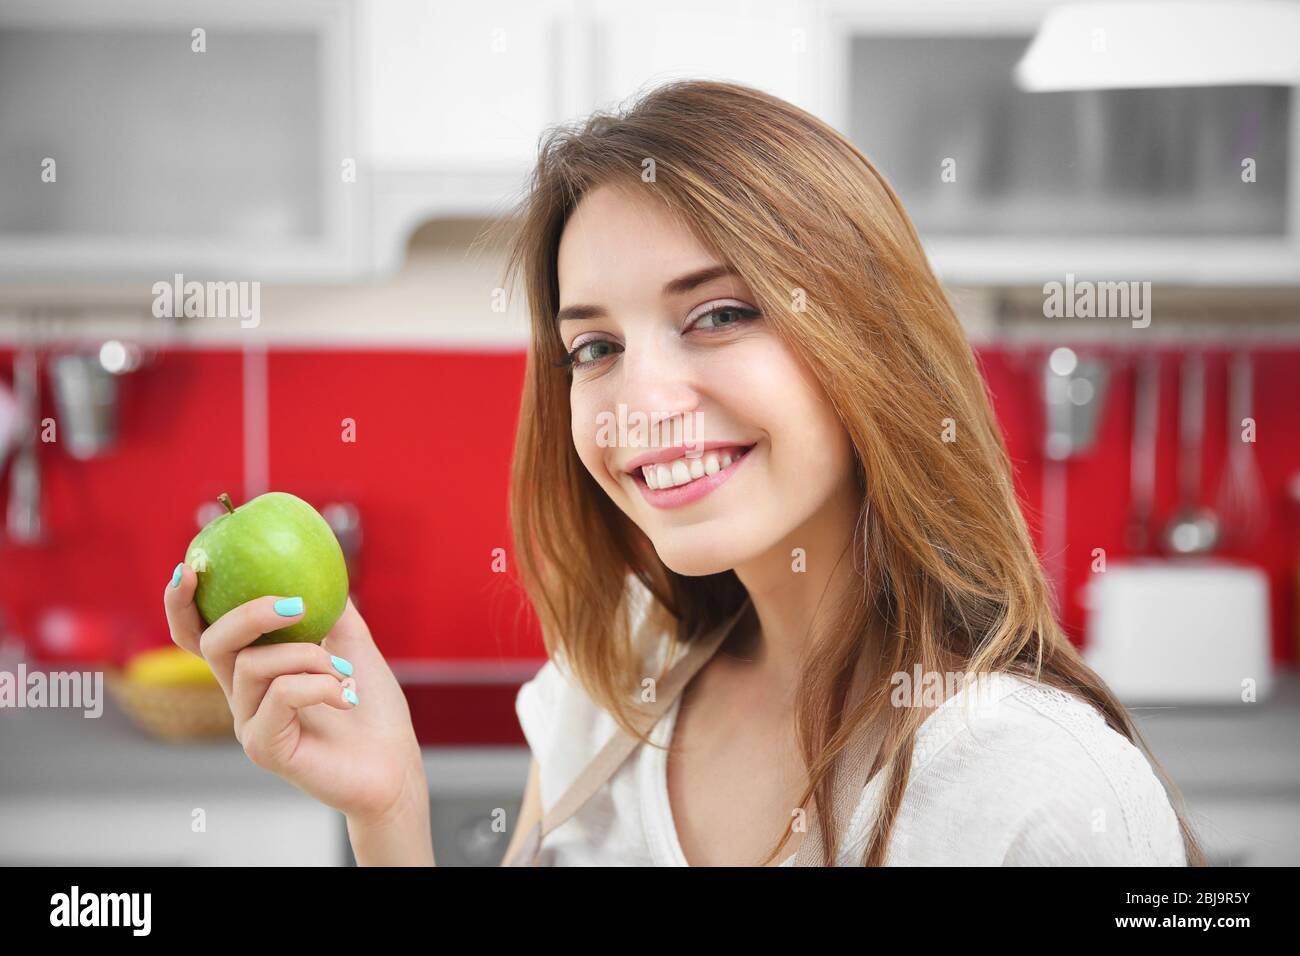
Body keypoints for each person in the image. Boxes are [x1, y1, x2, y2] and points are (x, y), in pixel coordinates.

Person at [163, 79, 1203, 867]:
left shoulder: (1031, 787)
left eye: (717, 314)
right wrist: (387, 808)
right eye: (594, 347)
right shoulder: (615, 681)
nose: (635, 400)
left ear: (866, 340)